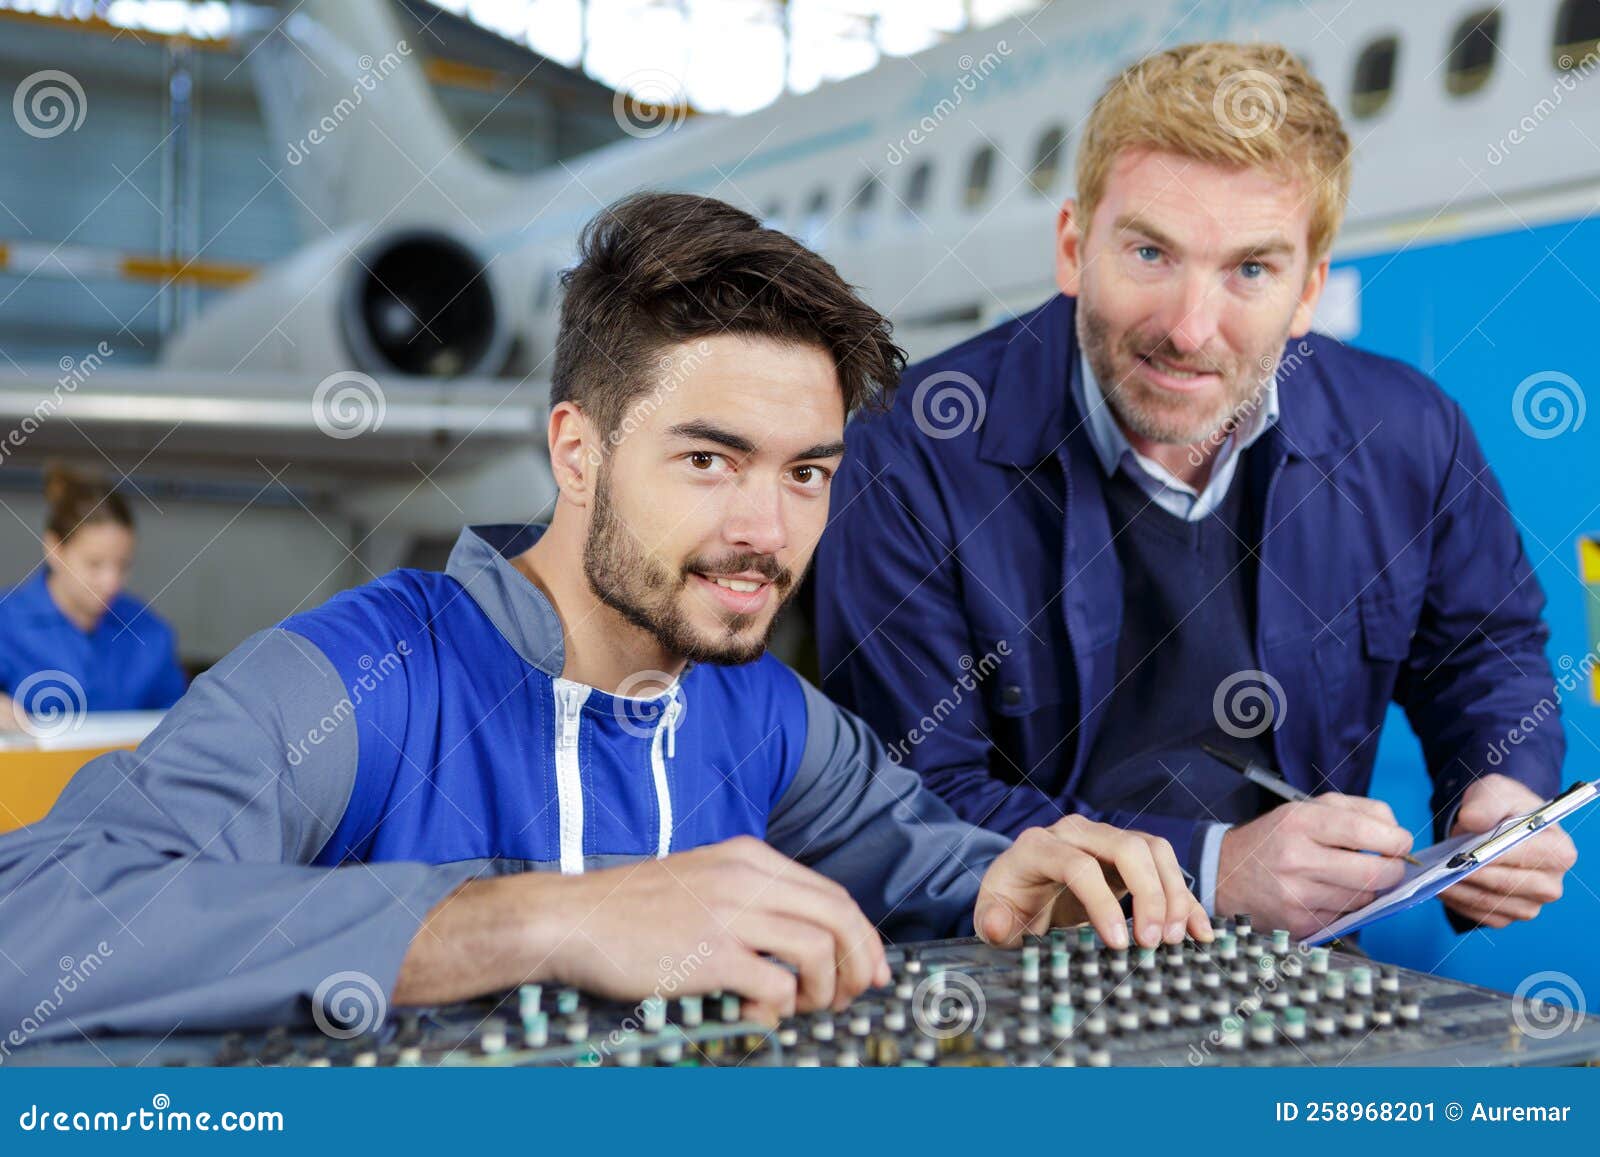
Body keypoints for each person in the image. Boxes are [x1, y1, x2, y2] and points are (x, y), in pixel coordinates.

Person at [0, 193, 1209, 1042]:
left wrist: (1032, 879)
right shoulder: (362, 679)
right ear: (575, 450)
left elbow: (943, 870)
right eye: (709, 458)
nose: (767, 530)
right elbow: (34, 919)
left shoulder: (771, 717)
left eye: (806, 472)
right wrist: (536, 919)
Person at [814, 42, 1576, 941]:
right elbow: (907, 799)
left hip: (1294, 975)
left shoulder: (1409, 432)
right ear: (1072, 247)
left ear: (1308, 290)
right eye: (1150, 252)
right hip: (1013, 977)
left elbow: (1485, 651)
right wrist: (1215, 867)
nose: (1188, 327)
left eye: (1250, 269)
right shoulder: (911, 456)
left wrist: (1497, 784)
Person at [0, 465, 186, 730]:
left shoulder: (149, 632)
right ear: (54, 549)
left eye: (122, 565)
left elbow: (181, 725)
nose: (111, 582)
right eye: (94, 564)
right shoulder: (6, 622)